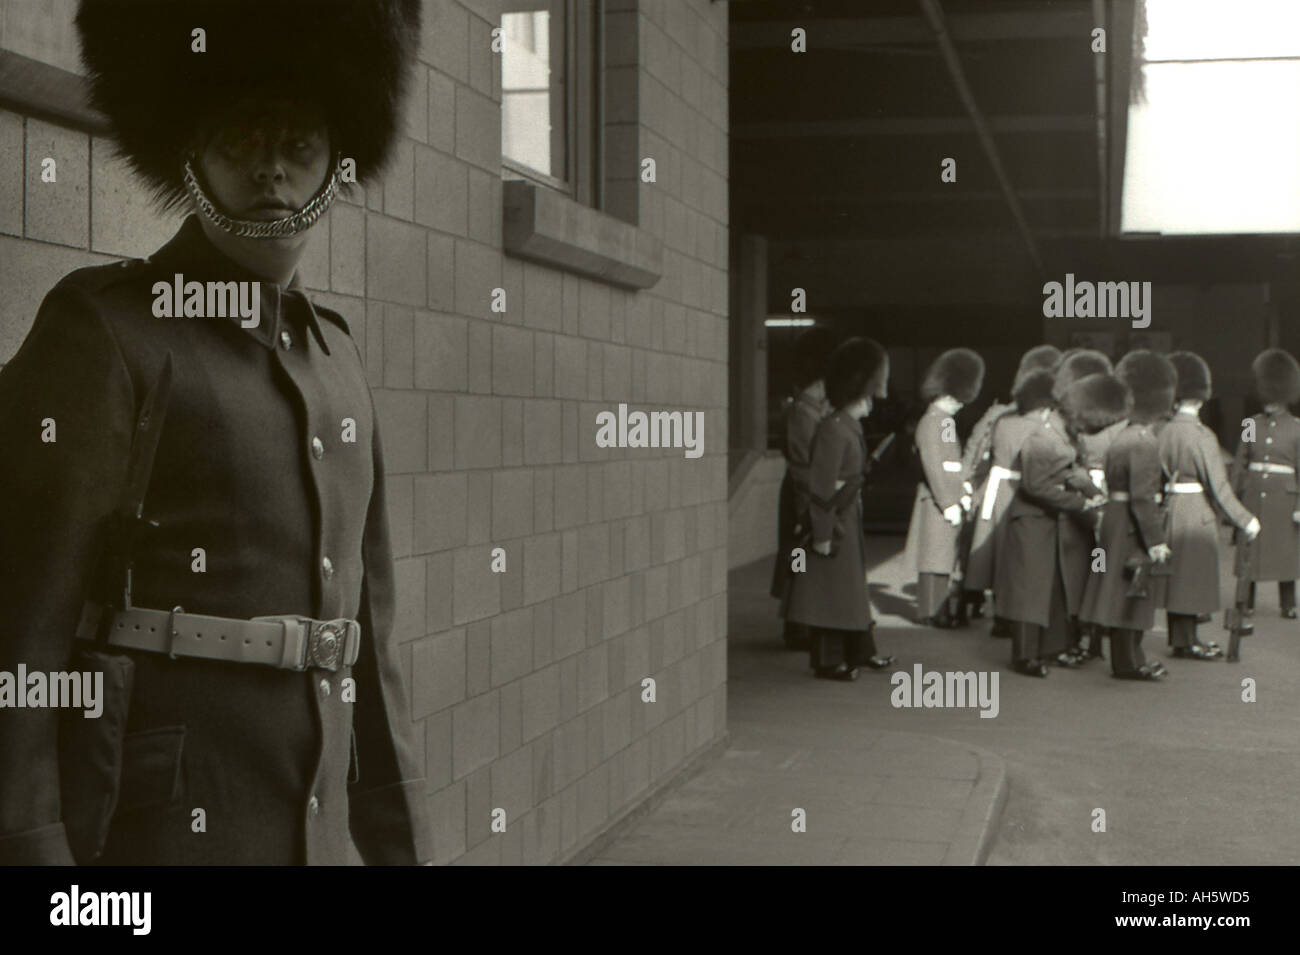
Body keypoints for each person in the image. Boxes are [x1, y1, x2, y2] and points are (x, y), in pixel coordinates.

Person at [0, 0, 431, 865]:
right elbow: (21, 636)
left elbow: (369, 649)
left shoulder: (338, 354)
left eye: (298, 142)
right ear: (189, 155)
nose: (271, 169)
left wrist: (400, 845)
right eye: (240, 139)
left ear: (337, 160)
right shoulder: (106, 333)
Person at [785, 338, 895, 680]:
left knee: (849, 590)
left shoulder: (848, 425)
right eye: (867, 395)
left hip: (845, 517)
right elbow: (821, 486)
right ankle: (828, 660)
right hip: (833, 522)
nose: (870, 402)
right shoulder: (833, 429)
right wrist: (821, 533)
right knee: (829, 594)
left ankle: (860, 650)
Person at [996, 368, 1107, 677]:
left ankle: (1051, 648)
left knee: (1054, 589)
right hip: (1032, 521)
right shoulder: (1042, 438)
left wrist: (1093, 492)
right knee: (1029, 593)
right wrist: (1082, 502)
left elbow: (1073, 471)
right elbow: (1036, 486)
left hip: (1053, 522)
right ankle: (1024, 656)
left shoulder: (1064, 434)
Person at [1078, 353, 1175, 681]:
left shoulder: (1121, 436)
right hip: (1131, 527)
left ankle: (1127, 659)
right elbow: (1143, 498)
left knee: (1117, 590)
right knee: (1135, 591)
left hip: (1115, 521)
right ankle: (1130, 662)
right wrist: (1156, 540)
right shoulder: (1144, 442)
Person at [1159, 352, 1260, 661]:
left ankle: (1181, 639)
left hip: (1171, 508)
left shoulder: (1163, 430)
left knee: (1176, 577)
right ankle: (1189, 643)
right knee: (1192, 578)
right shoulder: (1202, 435)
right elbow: (1219, 487)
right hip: (1195, 511)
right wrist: (1245, 519)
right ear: (1201, 398)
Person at [966, 345, 1060, 637]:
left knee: (997, 553)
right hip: (1024, 490)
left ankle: (999, 615)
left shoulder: (1000, 416)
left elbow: (977, 447)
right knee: (1021, 556)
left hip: (998, 488)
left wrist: (968, 483)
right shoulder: (1047, 423)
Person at [905, 349, 985, 627]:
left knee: (943, 558)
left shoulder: (945, 421)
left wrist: (962, 491)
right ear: (943, 393)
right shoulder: (931, 422)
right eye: (956, 398)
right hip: (936, 499)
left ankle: (939, 609)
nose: (960, 404)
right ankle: (930, 611)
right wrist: (948, 501)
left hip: (948, 495)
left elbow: (952, 462)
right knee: (933, 559)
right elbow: (933, 466)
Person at [771, 327, 837, 649]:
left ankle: (804, 623)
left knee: (804, 560)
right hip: (803, 493)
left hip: (810, 491)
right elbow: (801, 463)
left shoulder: (813, 407)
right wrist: (807, 507)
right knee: (798, 558)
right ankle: (796, 627)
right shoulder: (803, 410)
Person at [1232, 348, 1300, 619]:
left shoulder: (1297, 427)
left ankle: (1288, 603)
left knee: (1286, 552)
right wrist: (1234, 497)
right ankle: (1245, 600)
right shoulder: (1251, 423)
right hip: (1253, 495)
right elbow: (1241, 461)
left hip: (1284, 498)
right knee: (1251, 548)